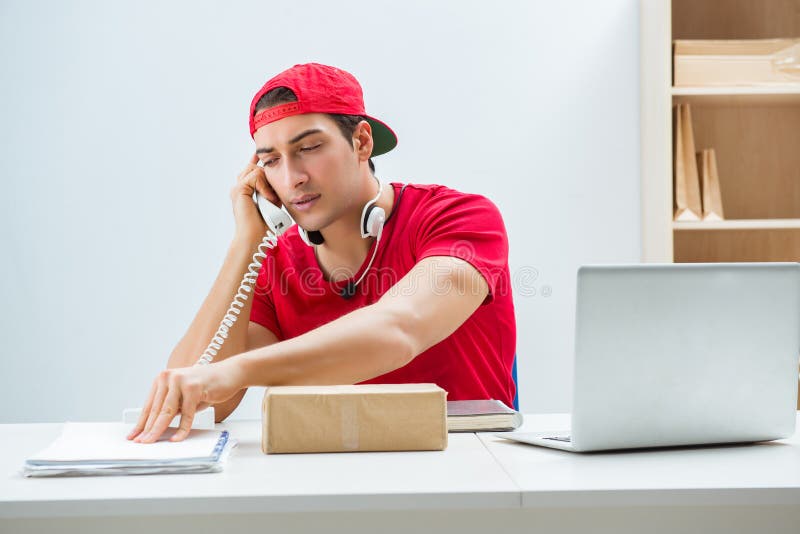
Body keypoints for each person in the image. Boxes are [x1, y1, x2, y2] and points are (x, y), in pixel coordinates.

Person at [127, 63, 516, 443]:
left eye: (309, 147)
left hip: (463, 465)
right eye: (270, 160)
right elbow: (193, 405)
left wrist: (237, 370)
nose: (292, 177)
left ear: (362, 142)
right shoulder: (272, 260)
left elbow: (399, 330)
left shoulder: (460, 217)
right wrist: (245, 243)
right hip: (328, 475)